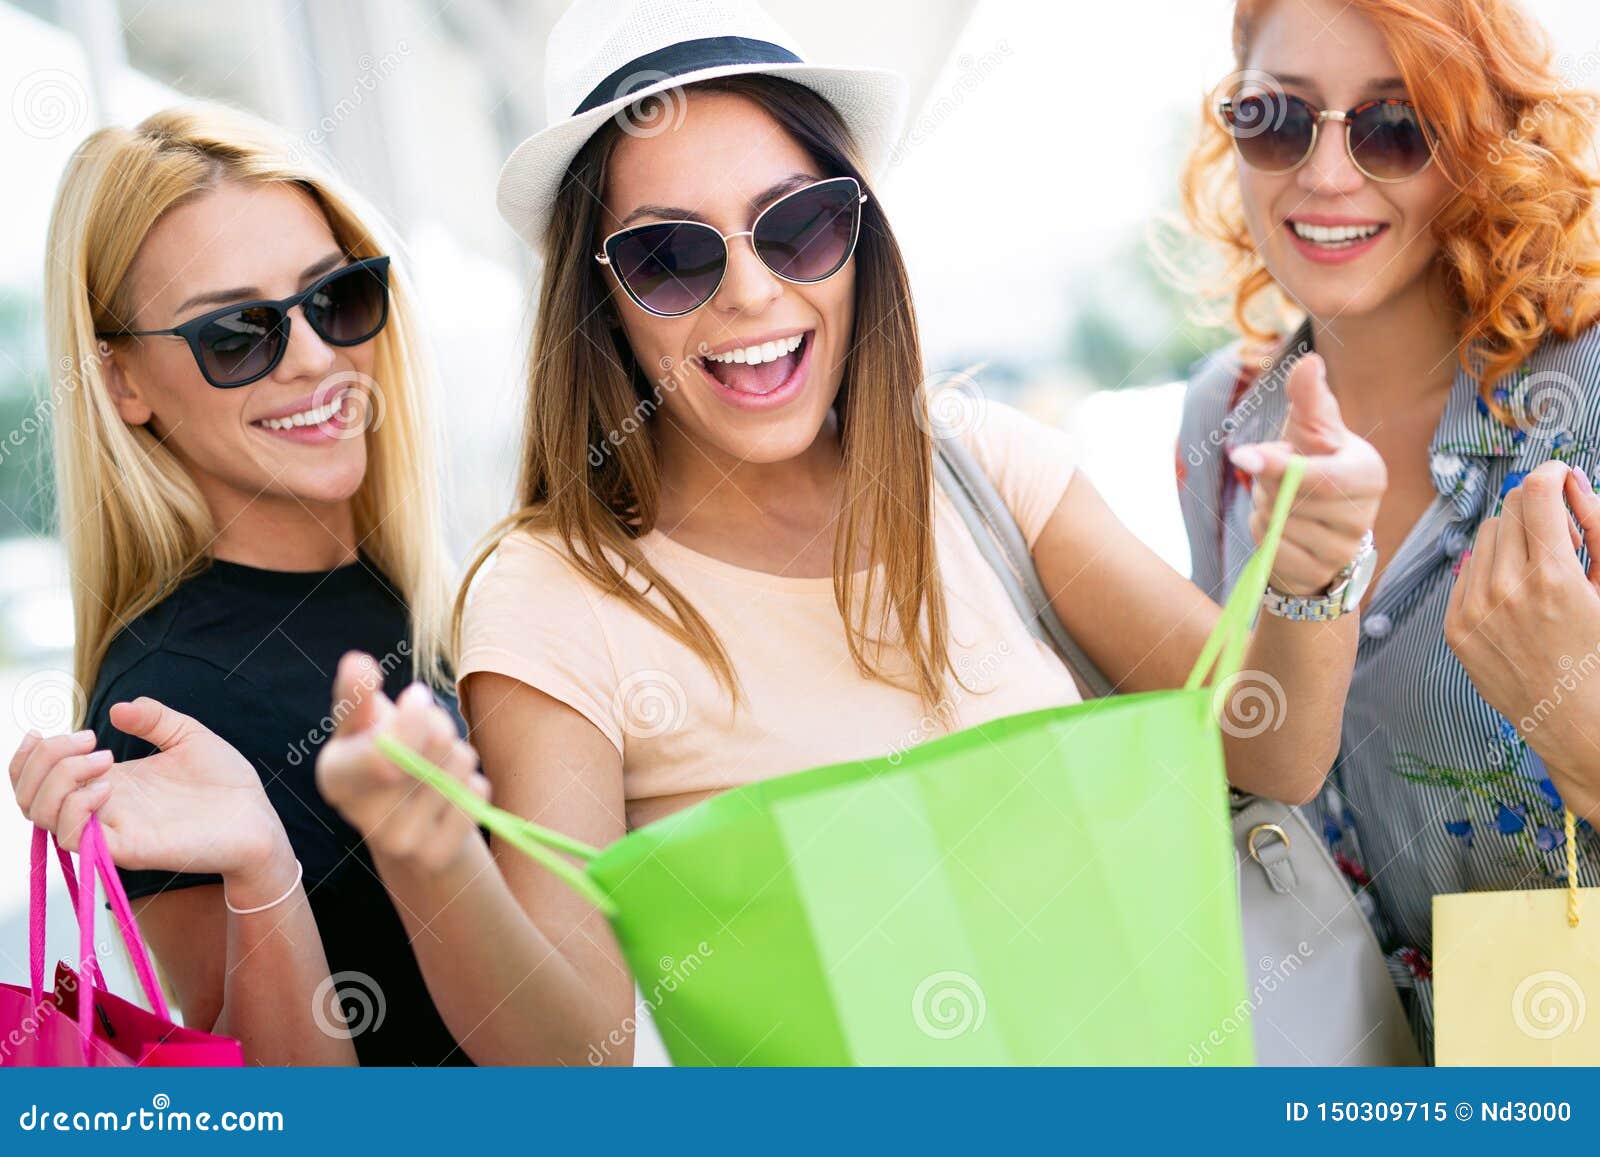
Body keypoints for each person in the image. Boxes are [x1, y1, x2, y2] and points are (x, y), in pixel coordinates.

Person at [316, 0, 1386, 1066]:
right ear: (600, 304)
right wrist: (436, 862)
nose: (750, 289)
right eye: (670, 257)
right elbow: (577, 1056)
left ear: (860, 234)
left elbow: (1272, 748)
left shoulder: (983, 467)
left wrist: (1313, 569)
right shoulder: (552, 592)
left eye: (799, 225)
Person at [1177, 0, 1600, 1060]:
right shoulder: (1223, 423)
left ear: (1484, 146)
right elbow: (1230, 779)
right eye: (1276, 118)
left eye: (1395, 125)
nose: (1323, 174)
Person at [8, 103, 473, 1066]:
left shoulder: (445, 593)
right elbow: (278, 1114)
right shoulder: (165, 701)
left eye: (337, 297)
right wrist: (262, 860)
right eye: (236, 334)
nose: (314, 358)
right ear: (123, 384)